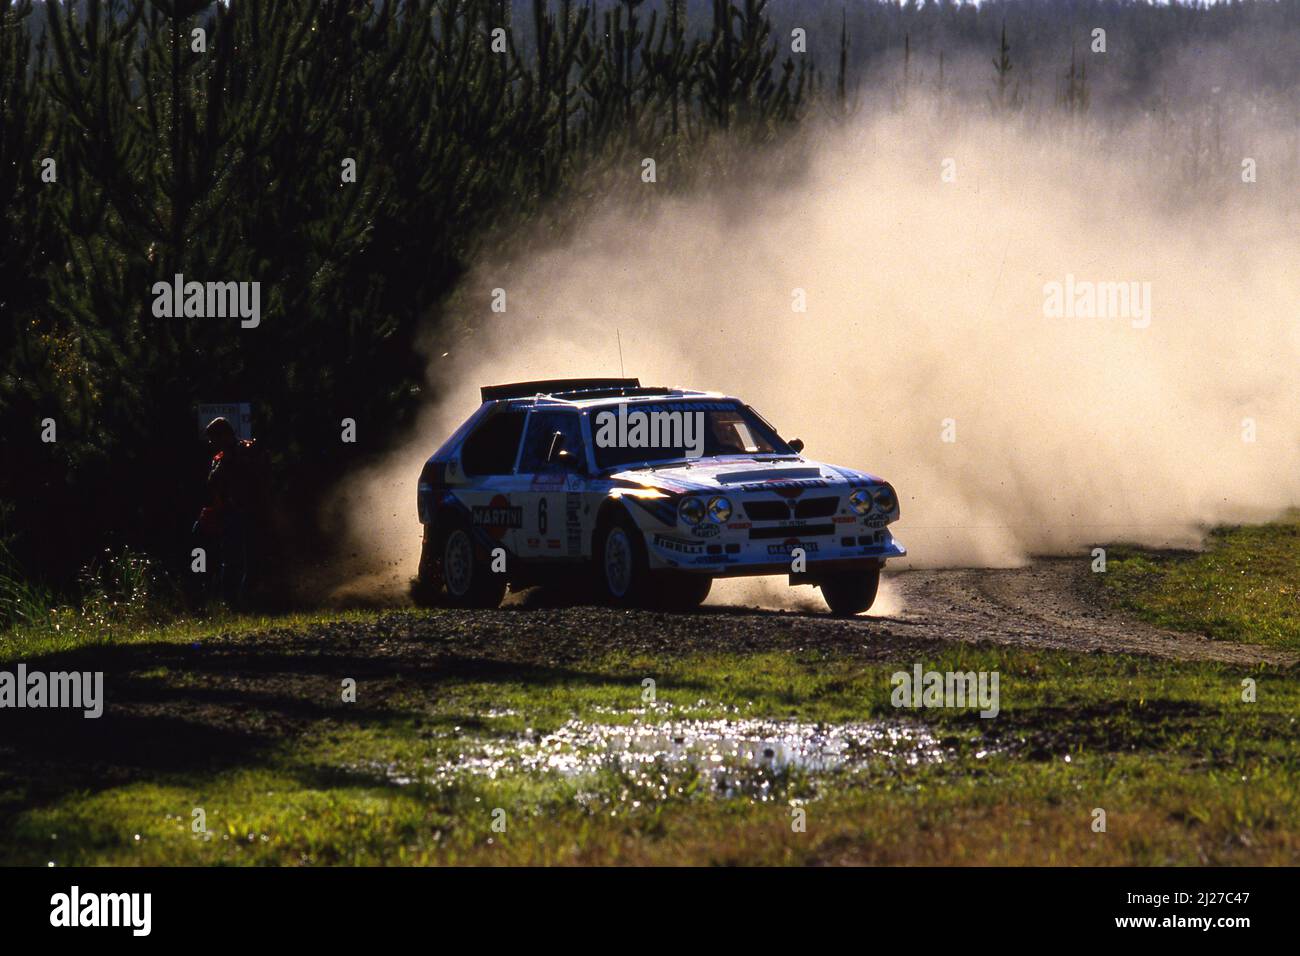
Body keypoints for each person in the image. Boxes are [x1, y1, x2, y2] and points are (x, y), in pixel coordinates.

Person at [195, 417, 269, 606]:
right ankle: (230, 602)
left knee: (241, 560)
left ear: (225, 435)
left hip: (246, 513)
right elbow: (214, 485)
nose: (211, 443)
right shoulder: (220, 458)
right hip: (229, 514)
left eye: (214, 438)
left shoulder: (243, 452)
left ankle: (239, 603)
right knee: (230, 559)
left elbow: (252, 483)